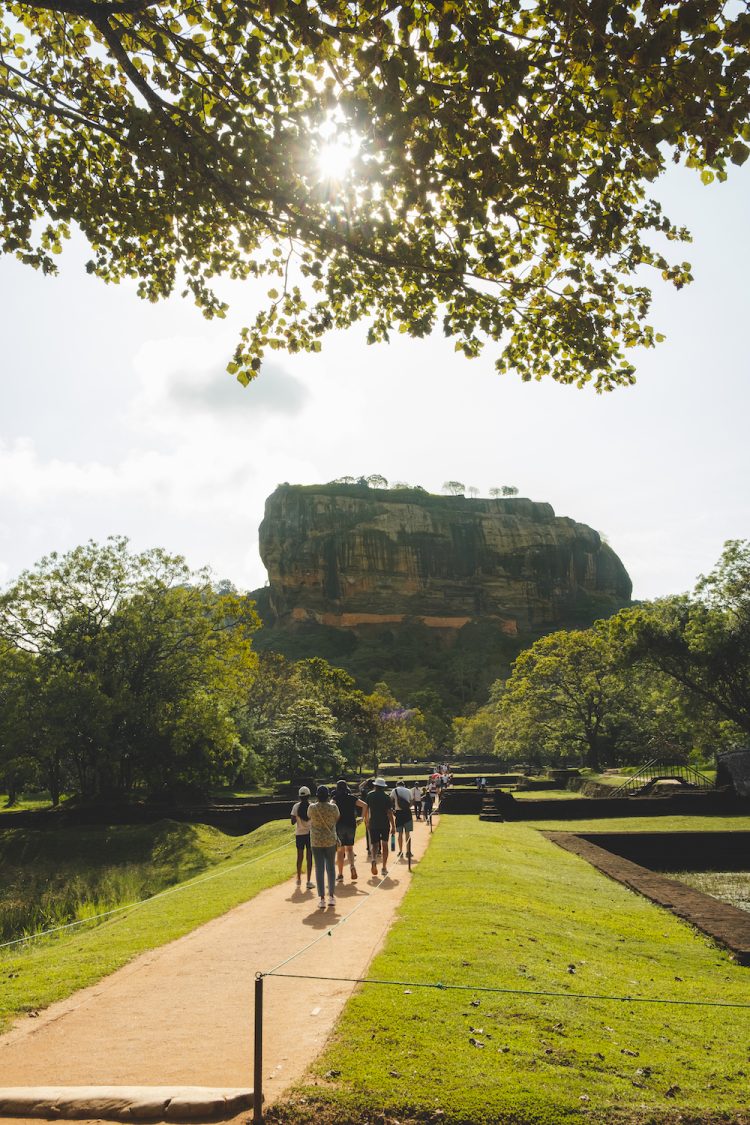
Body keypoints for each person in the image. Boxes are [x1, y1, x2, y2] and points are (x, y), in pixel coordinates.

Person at [309, 785, 340, 909]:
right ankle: (331, 896)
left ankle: (322, 898)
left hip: (316, 841)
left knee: (319, 869)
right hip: (330, 840)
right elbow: (337, 817)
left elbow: (309, 816)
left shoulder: (312, 807)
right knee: (331, 868)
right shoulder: (333, 807)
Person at [334, 779, 367, 882]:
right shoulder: (352, 798)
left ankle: (340, 874)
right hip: (351, 825)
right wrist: (362, 817)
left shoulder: (335, 799)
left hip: (339, 825)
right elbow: (365, 805)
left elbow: (331, 806)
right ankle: (352, 866)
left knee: (340, 851)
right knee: (350, 849)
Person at [364, 776, 395, 878]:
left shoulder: (369, 795)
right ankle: (384, 867)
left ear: (375, 786)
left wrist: (366, 820)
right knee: (385, 844)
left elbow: (366, 809)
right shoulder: (386, 797)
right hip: (384, 824)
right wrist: (393, 825)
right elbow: (389, 812)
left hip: (373, 823)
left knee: (374, 844)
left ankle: (373, 859)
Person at [290, 785, 314, 889]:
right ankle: (308, 881)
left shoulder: (296, 807)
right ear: (309, 796)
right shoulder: (312, 806)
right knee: (309, 857)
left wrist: (297, 816)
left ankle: (299, 878)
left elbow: (292, 822)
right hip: (309, 834)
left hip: (299, 834)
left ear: (299, 796)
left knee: (300, 857)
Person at [391, 778, 414, 858]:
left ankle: (400, 852)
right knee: (408, 833)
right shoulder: (408, 790)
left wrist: (394, 809)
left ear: (397, 785)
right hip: (407, 813)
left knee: (400, 833)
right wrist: (406, 807)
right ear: (404, 785)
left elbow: (391, 800)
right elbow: (411, 802)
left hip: (399, 813)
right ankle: (408, 852)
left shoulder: (394, 790)